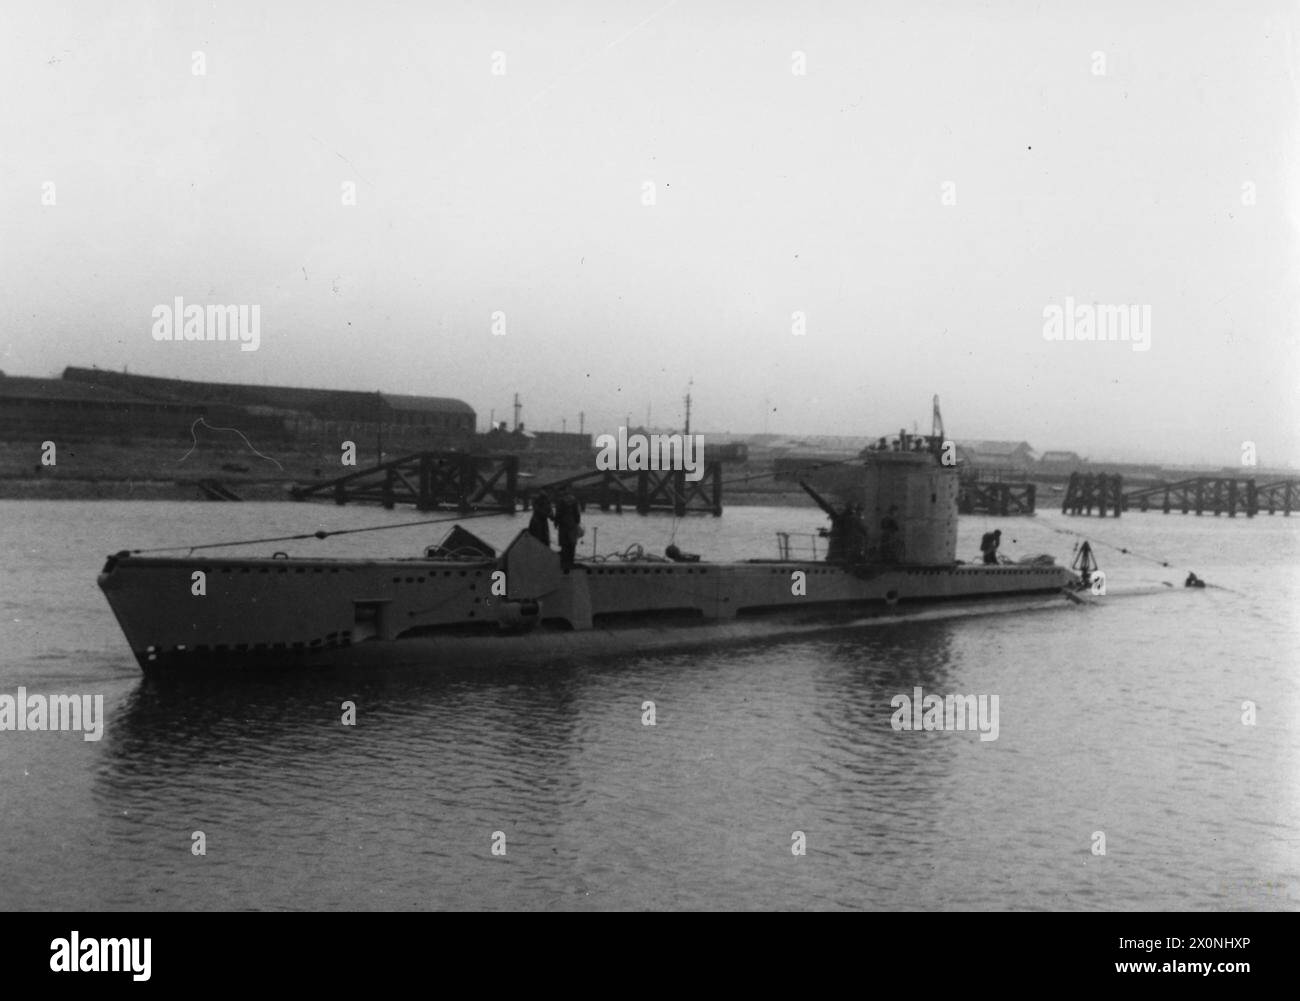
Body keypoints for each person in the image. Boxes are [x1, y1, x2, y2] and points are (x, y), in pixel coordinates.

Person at [553, 490, 582, 569]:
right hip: (572, 525)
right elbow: (577, 514)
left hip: (563, 525)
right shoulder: (575, 500)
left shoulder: (561, 501)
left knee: (564, 544)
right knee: (572, 544)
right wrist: (577, 522)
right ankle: (571, 562)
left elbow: (558, 513)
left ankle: (564, 563)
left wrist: (556, 523)